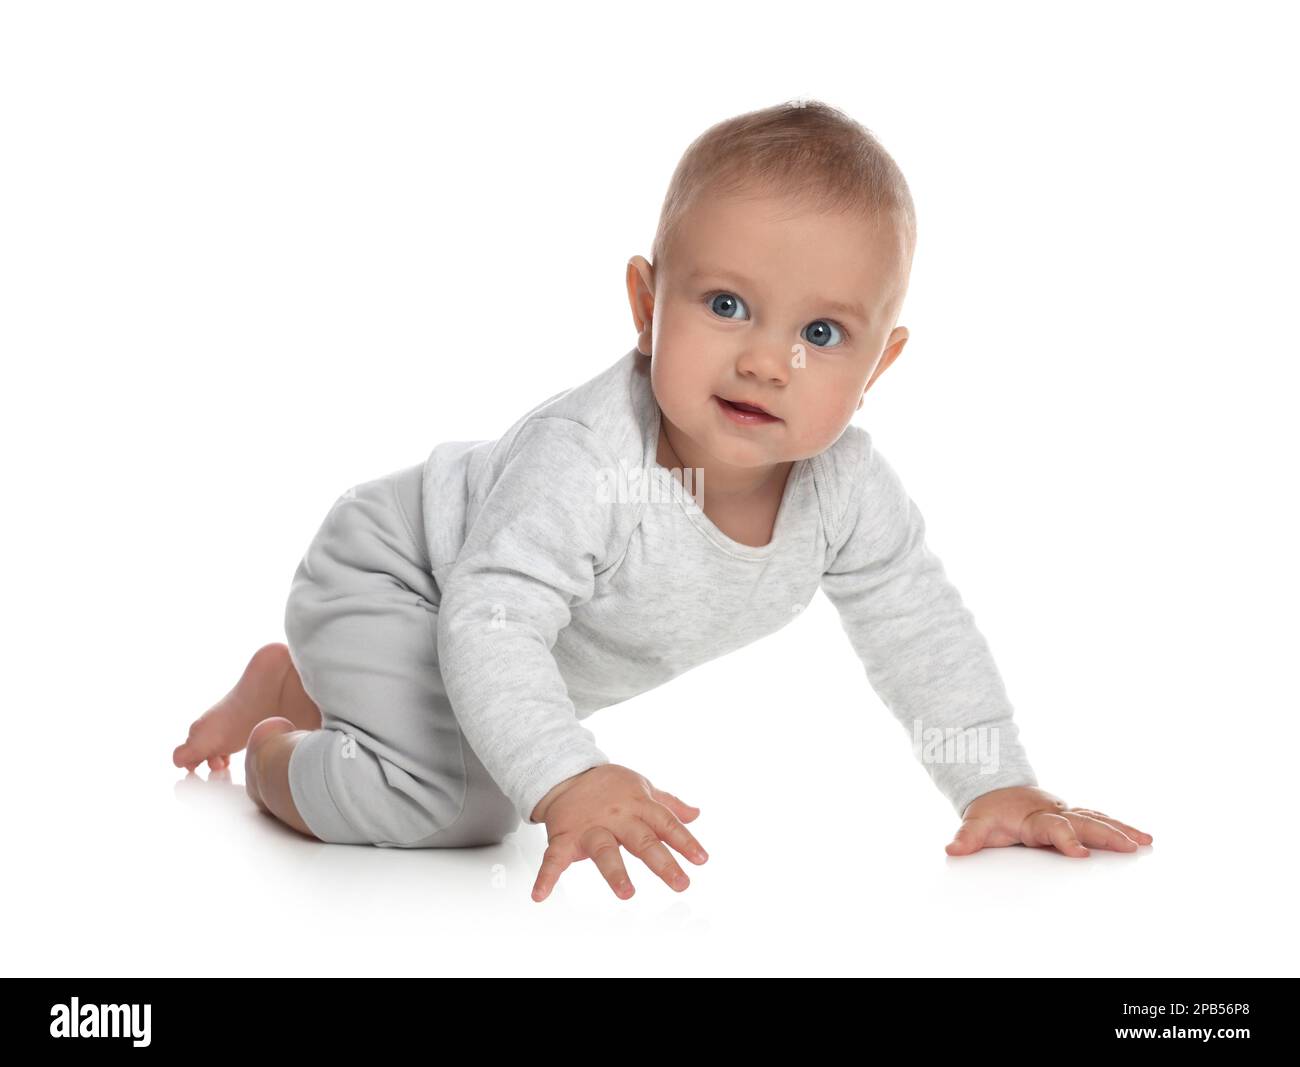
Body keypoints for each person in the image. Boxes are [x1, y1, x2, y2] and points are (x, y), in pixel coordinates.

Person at [173, 99, 1152, 902]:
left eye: (821, 331)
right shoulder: (595, 458)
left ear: (879, 362)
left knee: (483, 763)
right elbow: (494, 614)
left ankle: (316, 686)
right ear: (647, 305)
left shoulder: (847, 491)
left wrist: (994, 781)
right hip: (405, 578)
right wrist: (569, 775)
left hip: (483, 632)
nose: (767, 359)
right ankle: (277, 748)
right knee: (455, 807)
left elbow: (920, 633)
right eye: (725, 305)